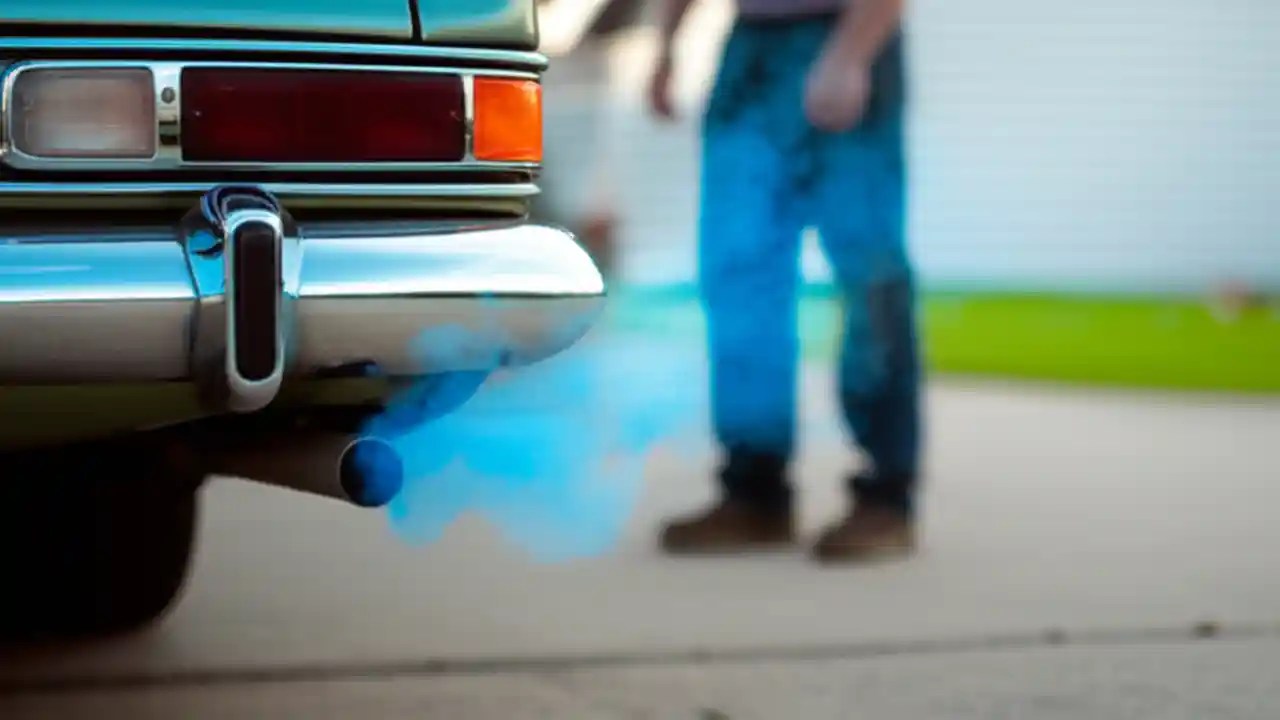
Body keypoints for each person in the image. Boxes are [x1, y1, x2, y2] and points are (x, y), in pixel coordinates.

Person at [649, 0, 921, 563]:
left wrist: (851, 53)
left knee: (869, 270)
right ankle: (753, 492)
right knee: (739, 274)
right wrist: (666, 44)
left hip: (843, 29)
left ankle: (887, 497)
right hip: (751, 43)